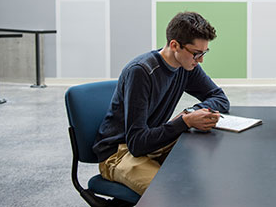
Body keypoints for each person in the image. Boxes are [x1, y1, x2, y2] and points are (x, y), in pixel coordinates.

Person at [93, 11, 230, 195]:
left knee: (209, 167)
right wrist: (185, 121)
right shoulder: (141, 72)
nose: (201, 60)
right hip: (119, 152)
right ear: (175, 45)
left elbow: (219, 98)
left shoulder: (187, 66)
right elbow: (137, 144)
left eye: (204, 53)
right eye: (197, 54)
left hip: (154, 140)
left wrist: (191, 112)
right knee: (169, 194)